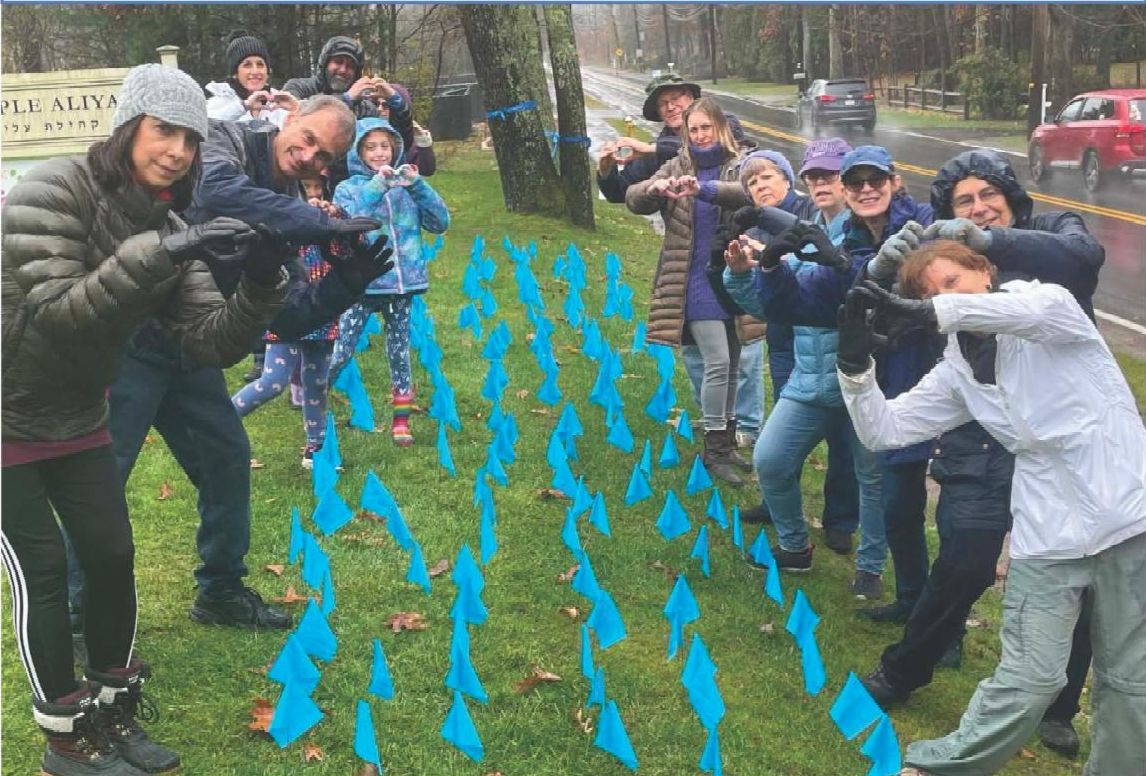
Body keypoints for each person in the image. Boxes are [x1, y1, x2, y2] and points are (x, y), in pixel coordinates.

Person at [2, 64, 289, 776]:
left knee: (112, 556)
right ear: (130, 125)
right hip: (5, 415)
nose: (178, 152)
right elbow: (59, 313)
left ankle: (112, 714)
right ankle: (66, 739)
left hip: (75, 414)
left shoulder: (163, 224)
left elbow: (206, 343)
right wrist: (160, 253)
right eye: (165, 131)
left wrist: (262, 282)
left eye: (191, 140)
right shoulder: (50, 188)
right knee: (41, 572)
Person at [75, 95, 389, 634]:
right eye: (309, 139)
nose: (310, 157)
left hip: (192, 348)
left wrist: (345, 283)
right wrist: (314, 223)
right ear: (290, 119)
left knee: (226, 457)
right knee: (102, 475)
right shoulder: (223, 142)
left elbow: (288, 317)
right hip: (127, 339)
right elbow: (216, 192)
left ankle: (220, 590)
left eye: (325, 159)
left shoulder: (287, 203)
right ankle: (74, 609)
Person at [837, 242, 1146, 776]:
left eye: (952, 281)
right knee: (1029, 676)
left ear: (985, 270)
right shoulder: (959, 368)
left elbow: (1020, 313)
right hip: (1046, 534)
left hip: (1129, 514)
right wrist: (854, 365)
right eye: (929, 294)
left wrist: (934, 309)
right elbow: (882, 430)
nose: (942, 298)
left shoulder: (1049, 306)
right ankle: (941, 766)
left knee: (1130, 681)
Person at [859, 150, 1104, 759]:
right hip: (981, 427)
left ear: (1010, 197)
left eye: (986, 195)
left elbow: (1082, 260)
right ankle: (904, 670)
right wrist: (882, 272)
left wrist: (990, 238)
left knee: (1082, 574)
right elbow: (897, 315)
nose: (976, 208)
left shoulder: (1050, 234)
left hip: (1066, 438)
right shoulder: (943, 260)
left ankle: (1060, 705)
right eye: (963, 203)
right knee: (965, 561)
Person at [719, 152, 884, 597]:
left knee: (872, 479)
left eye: (831, 175)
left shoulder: (871, 234)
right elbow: (775, 307)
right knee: (770, 460)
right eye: (814, 176)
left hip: (864, 385)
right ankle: (794, 547)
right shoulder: (802, 230)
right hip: (809, 381)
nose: (822, 182)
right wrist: (741, 275)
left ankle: (870, 568)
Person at [595, 74, 762, 453]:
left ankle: (741, 431)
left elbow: (754, 192)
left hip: (734, 275)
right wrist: (637, 181)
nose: (700, 133)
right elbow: (630, 195)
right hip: (692, 278)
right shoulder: (674, 161)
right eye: (693, 129)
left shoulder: (736, 156)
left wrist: (701, 185)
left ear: (718, 126)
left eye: (705, 126)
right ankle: (716, 441)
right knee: (713, 359)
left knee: (739, 360)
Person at [837, 145, 935, 600]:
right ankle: (910, 600)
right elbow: (851, 300)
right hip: (889, 381)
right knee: (899, 506)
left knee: (957, 519)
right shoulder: (849, 238)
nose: (866, 189)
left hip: (935, 377)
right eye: (855, 183)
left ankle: (945, 630)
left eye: (875, 179)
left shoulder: (923, 223)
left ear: (894, 180)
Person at [328, 117, 450, 446]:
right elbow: (350, 221)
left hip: (402, 285)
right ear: (358, 152)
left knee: (399, 352)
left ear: (394, 148)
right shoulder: (349, 188)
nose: (379, 153)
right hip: (364, 283)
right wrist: (376, 186)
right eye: (371, 147)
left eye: (385, 146)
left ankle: (401, 420)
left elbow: (440, 222)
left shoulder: (407, 189)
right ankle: (314, 396)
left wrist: (418, 186)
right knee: (342, 349)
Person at [232, 175, 346, 467]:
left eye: (317, 189)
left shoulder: (330, 224)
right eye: (304, 190)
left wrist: (337, 221)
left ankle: (316, 446)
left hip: (321, 314)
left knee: (316, 384)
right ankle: (221, 424)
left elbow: (347, 251)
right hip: (287, 314)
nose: (312, 196)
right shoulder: (278, 224)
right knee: (272, 381)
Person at [282, 35, 413, 184]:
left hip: (349, 191)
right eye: (338, 62)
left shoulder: (364, 108)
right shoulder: (299, 88)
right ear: (325, 63)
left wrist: (396, 102)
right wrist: (346, 100)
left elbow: (399, 145)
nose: (343, 70)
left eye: (350, 66)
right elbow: (291, 120)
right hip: (305, 182)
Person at [205, 32, 297, 128]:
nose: (255, 71)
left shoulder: (278, 104)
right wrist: (243, 106)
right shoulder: (219, 103)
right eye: (247, 65)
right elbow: (205, 128)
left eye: (260, 64)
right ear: (235, 73)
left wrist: (296, 109)